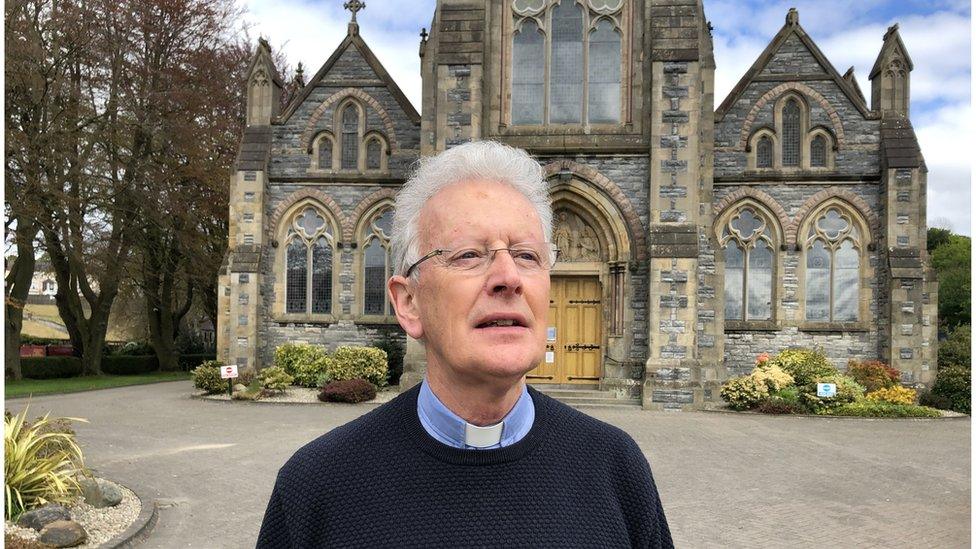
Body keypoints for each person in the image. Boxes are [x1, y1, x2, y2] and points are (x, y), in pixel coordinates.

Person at [257, 141, 673, 548]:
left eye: (527, 255)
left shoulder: (616, 468)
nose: (508, 276)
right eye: (469, 255)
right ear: (409, 303)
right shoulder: (315, 487)